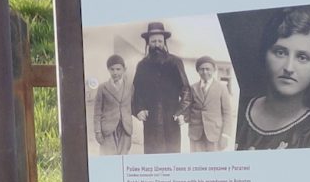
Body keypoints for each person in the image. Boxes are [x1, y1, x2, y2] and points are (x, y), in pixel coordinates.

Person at [236, 9, 310, 152]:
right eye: (280, 52)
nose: (289, 67)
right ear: (264, 54)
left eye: (302, 57)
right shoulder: (235, 109)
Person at [130, 22, 189, 154]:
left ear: (164, 42)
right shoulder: (142, 65)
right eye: (153, 41)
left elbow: (186, 89)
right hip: (151, 121)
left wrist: (181, 111)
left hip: (171, 119)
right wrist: (139, 109)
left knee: (172, 156)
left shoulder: (175, 62)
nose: (157, 45)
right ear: (147, 43)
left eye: (159, 41)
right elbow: (136, 91)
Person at [186, 55, 235, 152]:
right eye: (202, 69)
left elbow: (227, 113)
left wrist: (225, 135)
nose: (205, 72)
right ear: (198, 71)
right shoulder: (192, 88)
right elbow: (188, 108)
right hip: (196, 134)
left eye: (208, 69)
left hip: (215, 134)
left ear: (214, 70)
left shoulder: (222, 88)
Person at [93, 54, 135, 154]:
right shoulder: (103, 87)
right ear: (108, 70)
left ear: (124, 69)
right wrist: (98, 131)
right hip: (108, 130)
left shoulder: (130, 87)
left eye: (118, 69)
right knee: (108, 159)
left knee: (123, 160)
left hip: (125, 129)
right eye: (112, 69)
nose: (115, 72)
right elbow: (97, 112)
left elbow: (134, 105)